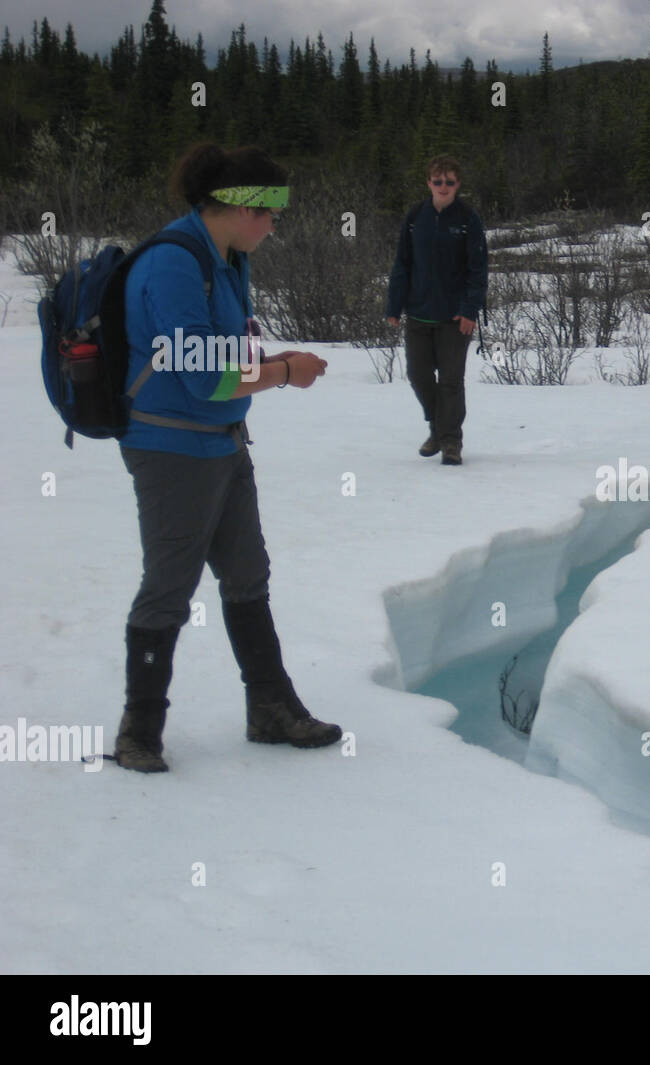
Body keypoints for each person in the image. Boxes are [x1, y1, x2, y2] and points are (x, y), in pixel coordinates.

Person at [115, 142, 342, 773]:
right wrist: (283, 373)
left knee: (248, 574)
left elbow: (223, 363)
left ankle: (271, 708)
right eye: (268, 212)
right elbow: (200, 376)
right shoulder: (173, 264)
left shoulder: (225, 256)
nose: (274, 225)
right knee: (169, 586)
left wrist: (270, 368)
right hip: (171, 448)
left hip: (222, 442)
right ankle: (140, 730)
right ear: (238, 206)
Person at [386, 155, 488, 465]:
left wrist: (470, 309)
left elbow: (478, 268)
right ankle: (437, 426)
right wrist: (394, 305)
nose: (443, 186)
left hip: (455, 317)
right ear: (429, 182)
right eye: (438, 181)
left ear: (458, 184)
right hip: (418, 313)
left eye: (450, 182)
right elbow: (402, 263)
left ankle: (450, 442)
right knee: (418, 374)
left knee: (451, 380)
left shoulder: (467, 219)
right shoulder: (416, 216)